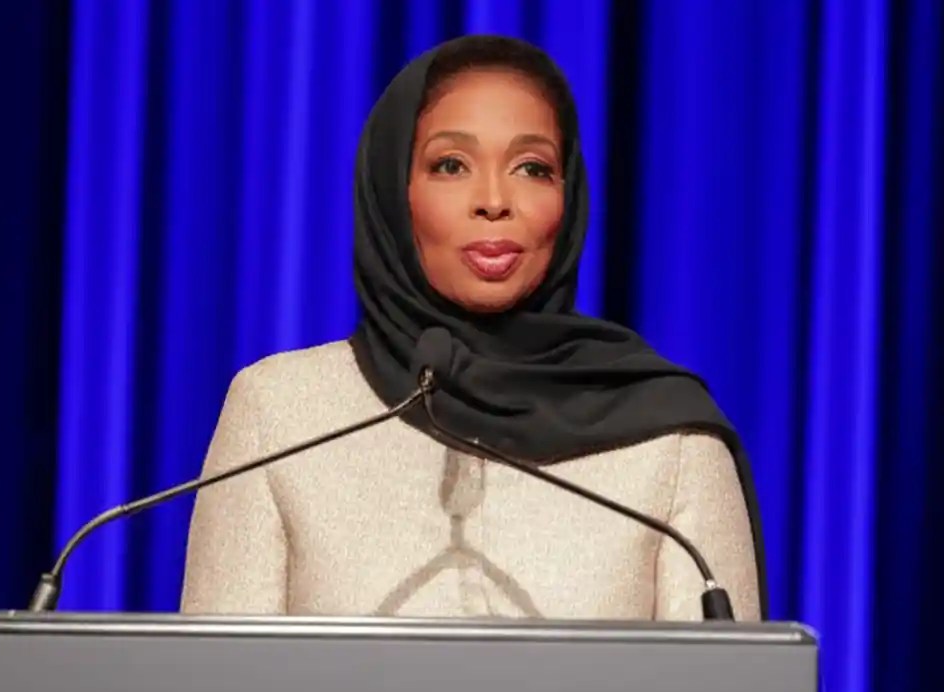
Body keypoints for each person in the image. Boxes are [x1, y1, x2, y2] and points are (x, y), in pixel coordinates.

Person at [180, 35, 766, 622]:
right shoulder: (280, 416)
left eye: (532, 168)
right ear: (394, 190)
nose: (493, 200)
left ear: (568, 199)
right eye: (451, 165)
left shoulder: (671, 440)